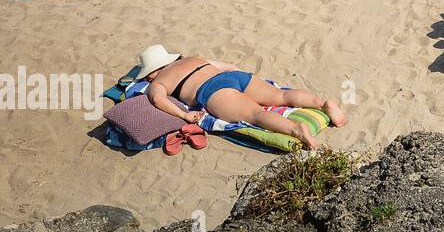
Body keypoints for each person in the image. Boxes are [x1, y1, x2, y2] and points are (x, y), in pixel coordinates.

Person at [136, 44, 346, 151]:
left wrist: (184, 114)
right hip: (232, 76)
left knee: (255, 114)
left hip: (212, 91)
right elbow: (229, 66)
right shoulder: (191, 59)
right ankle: (322, 103)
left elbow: (158, 100)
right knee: (281, 95)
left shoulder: (158, 81)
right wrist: (243, 83)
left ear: (152, 71)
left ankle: (297, 129)